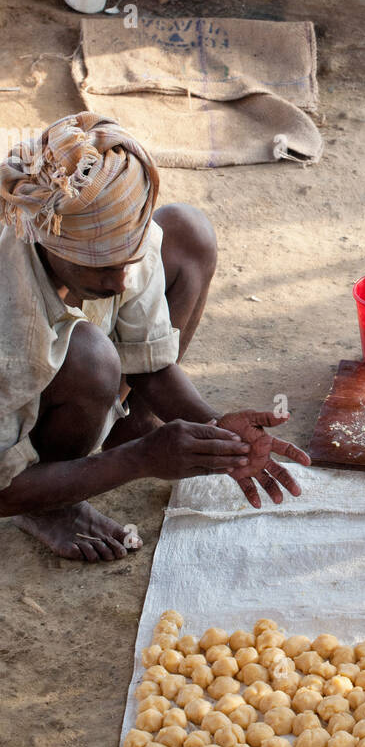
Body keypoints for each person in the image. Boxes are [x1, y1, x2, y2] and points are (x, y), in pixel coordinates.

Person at [0, 113, 309, 563]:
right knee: (90, 357)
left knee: (188, 232)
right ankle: (52, 501)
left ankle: (128, 426)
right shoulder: (10, 308)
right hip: (32, 409)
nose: (123, 280)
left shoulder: (118, 244)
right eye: (103, 268)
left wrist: (218, 427)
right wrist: (138, 460)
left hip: (91, 358)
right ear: (51, 247)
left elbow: (153, 365)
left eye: (131, 257)